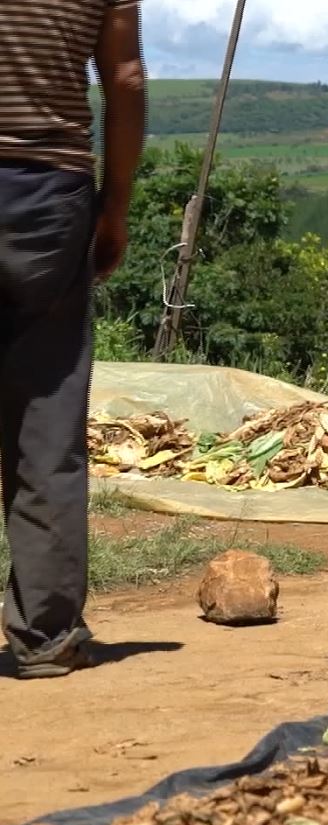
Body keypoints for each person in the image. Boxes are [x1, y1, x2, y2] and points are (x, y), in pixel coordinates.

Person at [2, 0, 147, 678]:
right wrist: (113, 206)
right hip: (48, 198)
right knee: (46, 418)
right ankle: (46, 633)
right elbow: (124, 78)